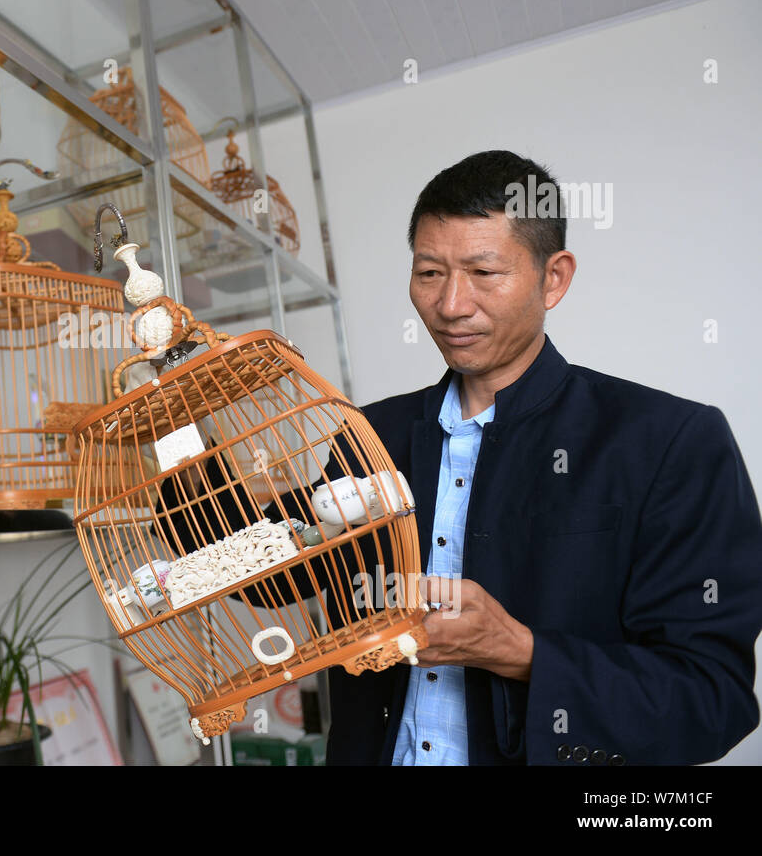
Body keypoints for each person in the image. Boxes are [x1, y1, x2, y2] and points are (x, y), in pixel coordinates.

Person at [318, 150, 762, 765]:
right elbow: (270, 577)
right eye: (428, 272)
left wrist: (521, 651)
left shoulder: (670, 440)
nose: (450, 305)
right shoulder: (372, 431)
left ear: (554, 277)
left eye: (483, 272)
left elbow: (712, 700)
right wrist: (197, 445)